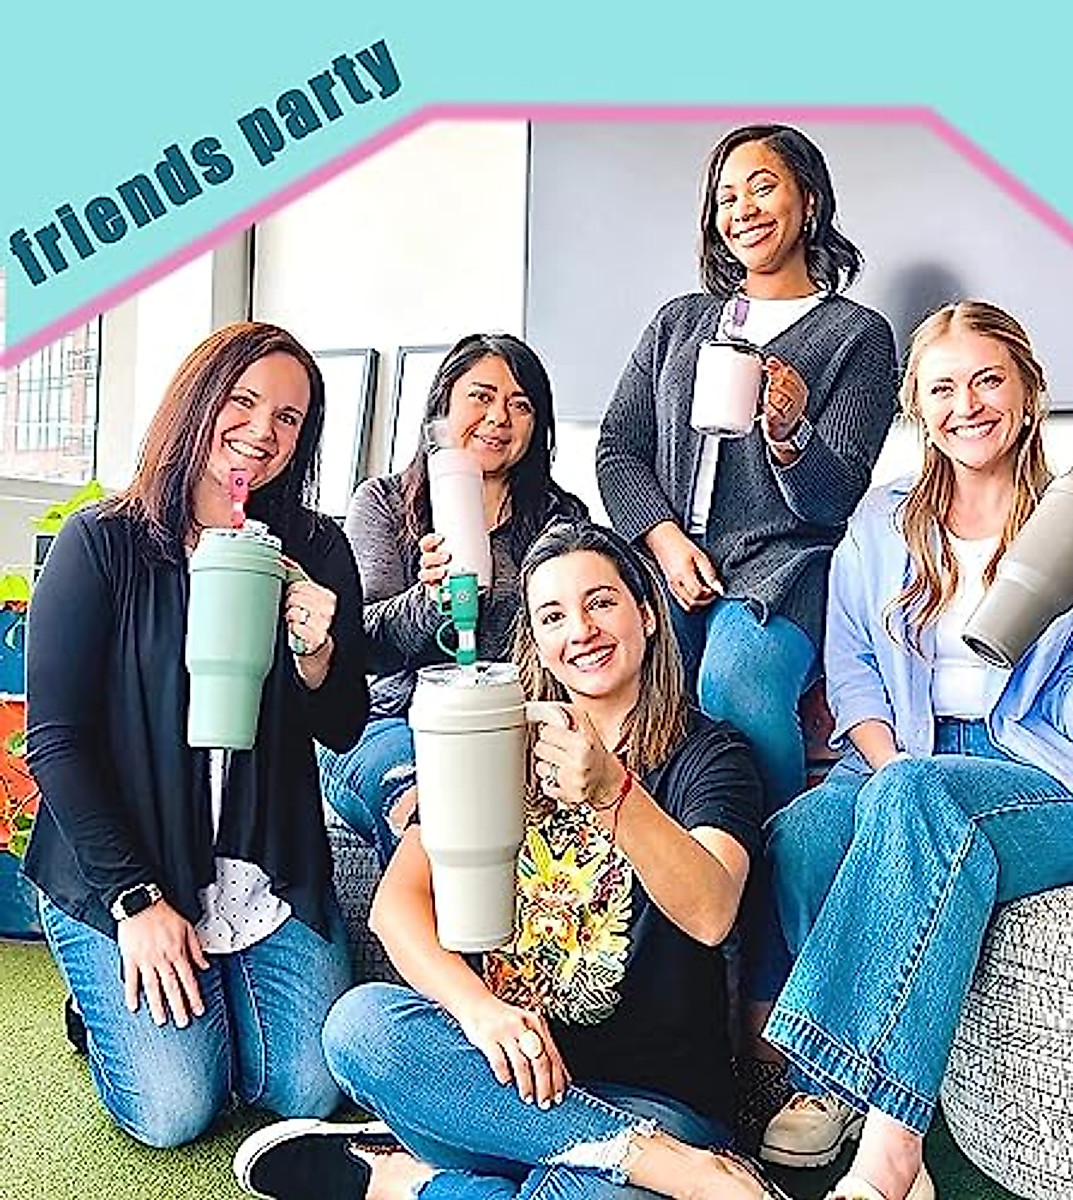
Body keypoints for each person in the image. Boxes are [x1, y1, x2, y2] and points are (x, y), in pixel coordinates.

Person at [755, 302, 1073, 1200]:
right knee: (805, 834)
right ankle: (846, 1083)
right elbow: (853, 668)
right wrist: (891, 764)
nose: (967, 405)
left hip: (1041, 773)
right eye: (943, 388)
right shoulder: (881, 523)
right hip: (898, 750)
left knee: (916, 803)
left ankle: (888, 1143)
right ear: (918, 406)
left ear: (1027, 396)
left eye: (988, 381)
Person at [232, 521, 784, 1200]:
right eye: (553, 616)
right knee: (360, 1026)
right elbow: (396, 907)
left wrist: (613, 792)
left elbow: (711, 911)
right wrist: (480, 1012)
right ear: (537, 643)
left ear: (646, 614)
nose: (581, 630)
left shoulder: (712, 756)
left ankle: (410, 1183)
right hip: (505, 1090)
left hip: (659, 1100)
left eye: (601, 602)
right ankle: (659, 1169)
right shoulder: (496, 738)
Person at [24, 321, 369, 1149]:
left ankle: (209, 1002)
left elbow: (344, 723)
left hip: (258, 866)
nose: (262, 430)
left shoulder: (313, 549)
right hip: (128, 868)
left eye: (289, 417)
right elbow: (55, 741)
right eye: (243, 401)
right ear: (198, 399)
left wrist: (318, 653)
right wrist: (136, 903)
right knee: (177, 1109)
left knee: (308, 1089)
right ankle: (98, 1004)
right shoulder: (102, 542)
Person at [595, 122, 898, 813]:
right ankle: (659, 865)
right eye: (726, 198)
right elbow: (617, 447)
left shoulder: (856, 335)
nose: (743, 211)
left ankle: (765, 863)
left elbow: (834, 499)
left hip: (784, 568)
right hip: (668, 561)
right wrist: (664, 541)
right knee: (627, 684)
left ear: (809, 201)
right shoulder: (678, 323)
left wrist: (790, 433)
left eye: (763, 187)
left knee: (736, 682)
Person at [319, 333, 586, 864]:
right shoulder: (385, 504)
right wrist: (430, 599)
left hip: (508, 720)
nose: (498, 418)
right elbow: (362, 644)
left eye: (520, 405)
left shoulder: (560, 520)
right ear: (443, 405)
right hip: (391, 724)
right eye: (481, 397)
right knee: (432, 808)